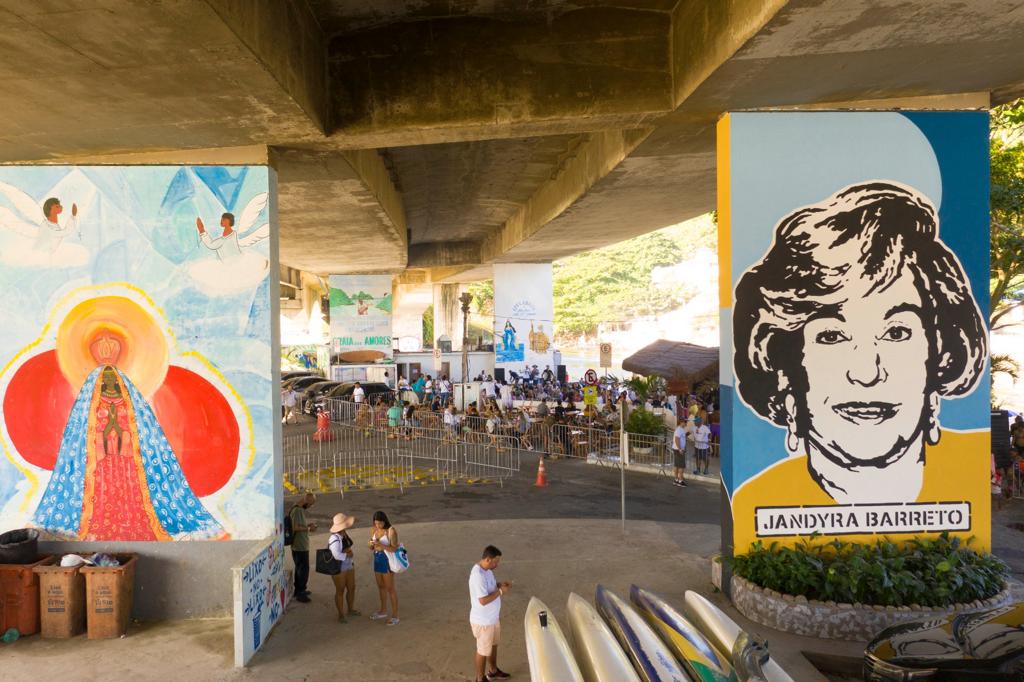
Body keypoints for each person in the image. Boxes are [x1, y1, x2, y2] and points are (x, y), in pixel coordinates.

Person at [730, 183, 987, 545]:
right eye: (832, 336)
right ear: (786, 371)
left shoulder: (972, 460)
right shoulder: (752, 498)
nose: (867, 373)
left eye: (896, 332)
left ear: (939, 353)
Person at [469, 545, 512, 682]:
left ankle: (493, 671)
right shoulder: (478, 576)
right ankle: (480, 678)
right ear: (488, 559)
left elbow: (488, 588)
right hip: (483, 622)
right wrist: (500, 592)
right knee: (482, 651)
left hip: (492, 619)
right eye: (495, 561)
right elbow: (482, 600)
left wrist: (498, 585)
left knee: (493, 646)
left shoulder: (487, 570)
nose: (497, 564)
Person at [369, 510, 400, 626]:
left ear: (384, 521)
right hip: (377, 559)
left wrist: (381, 545)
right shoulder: (374, 529)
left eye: (380, 523)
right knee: (381, 586)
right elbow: (370, 546)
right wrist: (371, 545)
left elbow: (394, 549)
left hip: (387, 561)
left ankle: (396, 615)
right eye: (376, 523)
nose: (378, 525)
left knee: (390, 588)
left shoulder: (391, 531)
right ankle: (383, 610)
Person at [327, 512, 360, 622]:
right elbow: (336, 554)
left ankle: (350, 610)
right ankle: (341, 615)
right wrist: (347, 554)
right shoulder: (334, 538)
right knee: (340, 590)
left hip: (348, 564)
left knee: (351, 588)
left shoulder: (343, 534)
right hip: (339, 567)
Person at [289, 492, 318, 603]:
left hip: (301, 544)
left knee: (301, 568)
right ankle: (300, 592)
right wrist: (309, 528)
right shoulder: (297, 510)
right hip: (298, 545)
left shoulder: (300, 510)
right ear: (306, 501)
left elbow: (299, 525)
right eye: (310, 504)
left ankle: (300, 589)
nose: (310, 506)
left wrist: (308, 526)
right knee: (303, 569)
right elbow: (295, 527)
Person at [672, 419, 688, 487]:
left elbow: (681, 438)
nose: (686, 424)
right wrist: (680, 449)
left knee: (676, 465)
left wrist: (688, 433)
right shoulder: (679, 430)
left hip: (677, 449)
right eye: (685, 422)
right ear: (681, 422)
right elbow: (676, 439)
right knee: (681, 466)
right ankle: (680, 481)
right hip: (679, 450)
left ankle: (676, 480)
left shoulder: (680, 429)